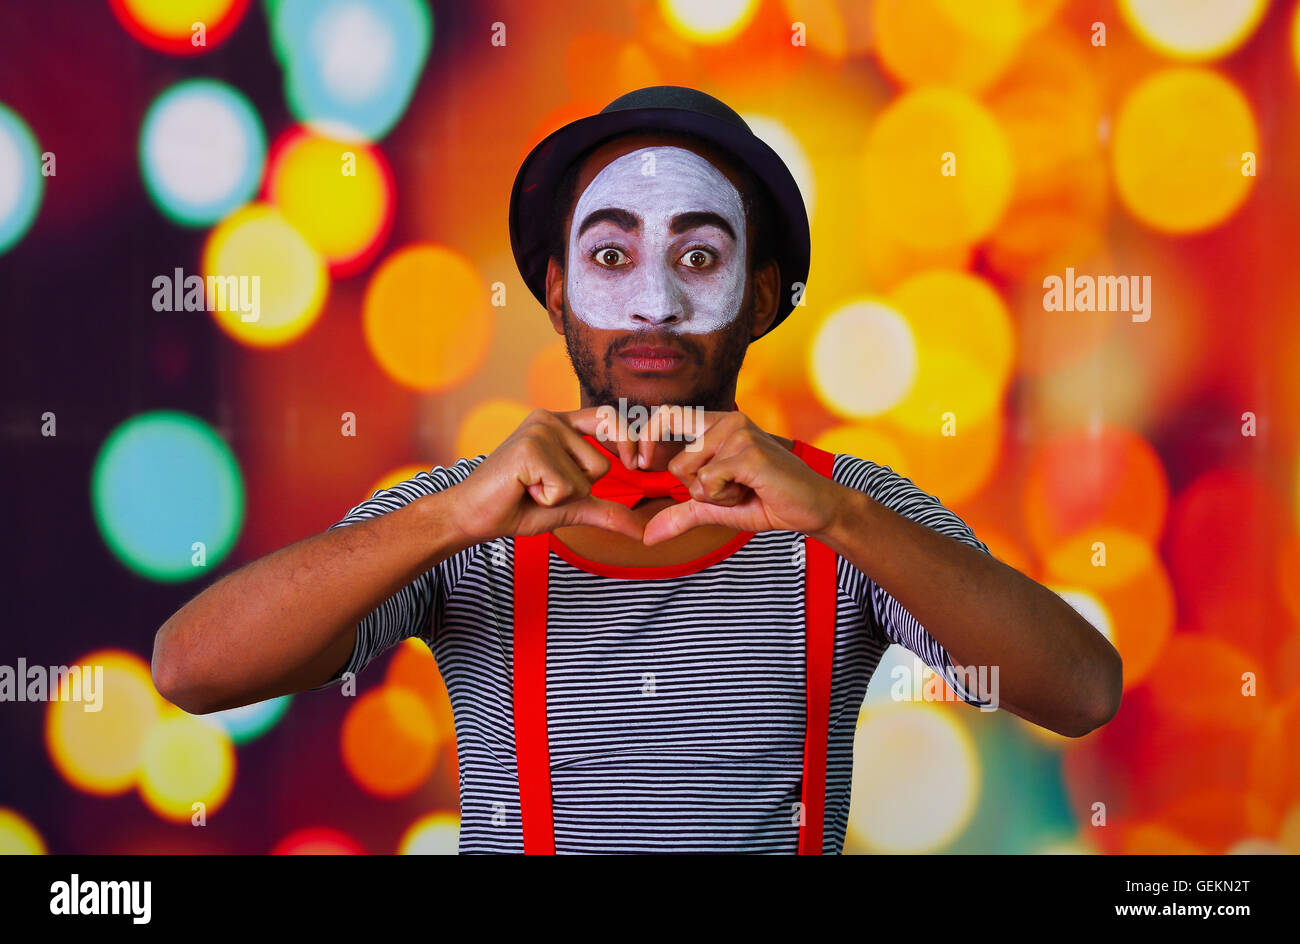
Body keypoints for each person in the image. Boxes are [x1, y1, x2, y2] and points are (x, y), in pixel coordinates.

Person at [151, 85, 1122, 854]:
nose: (652, 301)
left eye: (699, 256)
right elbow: (191, 668)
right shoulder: (470, 514)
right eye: (612, 253)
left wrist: (838, 519)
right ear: (558, 289)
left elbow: (1079, 689)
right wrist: (445, 520)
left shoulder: (851, 511)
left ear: (762, 294)